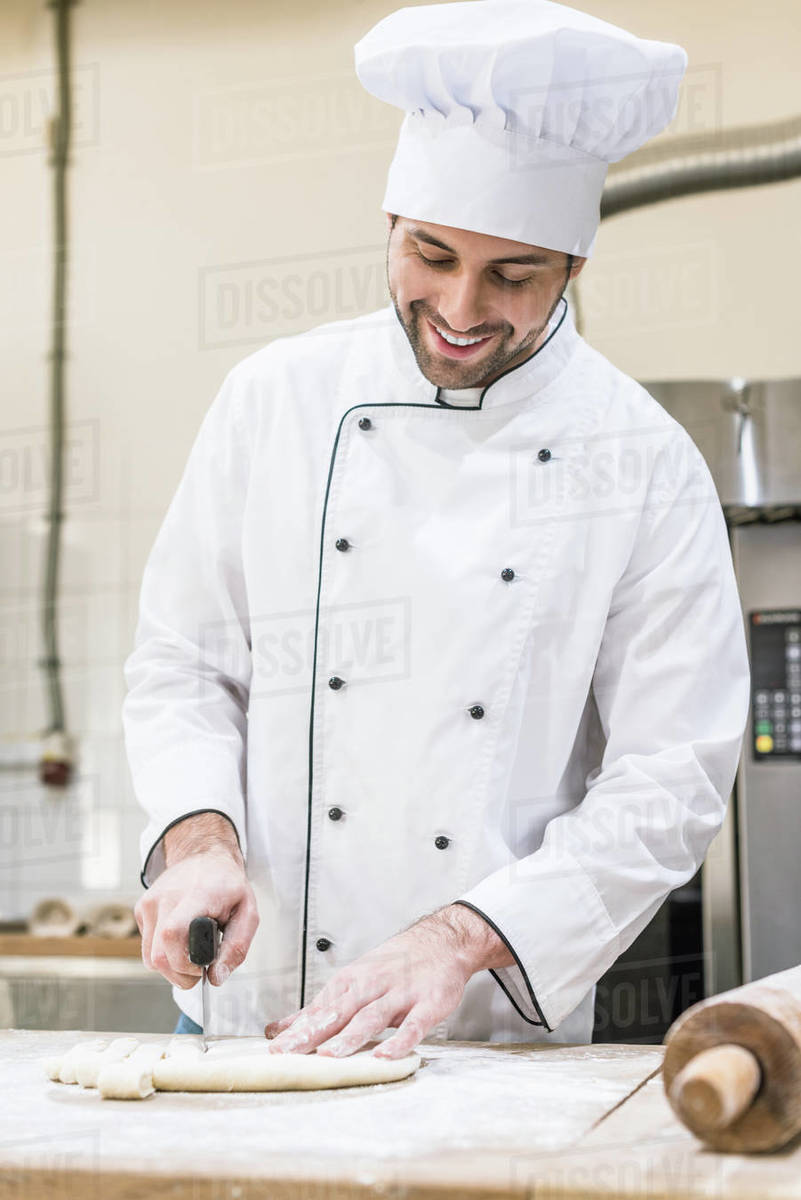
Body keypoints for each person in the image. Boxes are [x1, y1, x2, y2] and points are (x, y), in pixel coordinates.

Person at [123, 0, 750, 1059]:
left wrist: (463, 937)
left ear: (574, 271)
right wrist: (196, 838)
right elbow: (184, 664)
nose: (461, 308)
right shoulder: (274, 399)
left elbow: (672, 774)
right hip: (246, 1018)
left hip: (481, 1038)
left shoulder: (639, 460)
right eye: (432, 254)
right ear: (390, 226)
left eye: (514, 276)